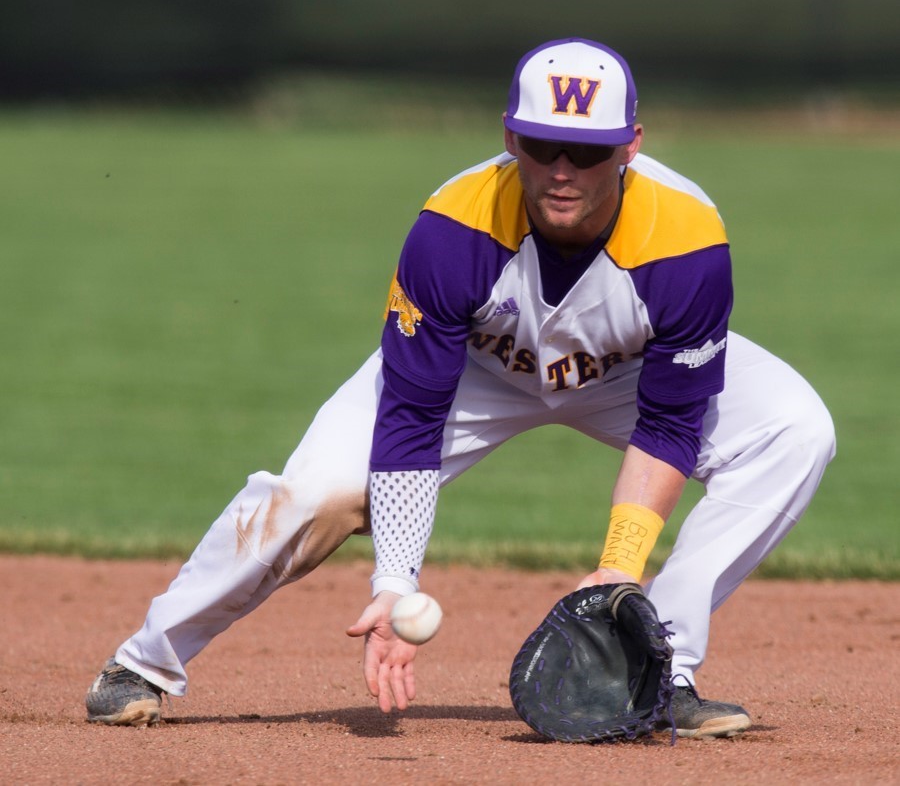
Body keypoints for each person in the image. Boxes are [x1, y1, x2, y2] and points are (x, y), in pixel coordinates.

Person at [85, 37, 835, 738]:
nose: (563, 169)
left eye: (589, 150)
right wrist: (395, 580)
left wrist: (619, 565)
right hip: (473, 371)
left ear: (630, 149)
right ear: (512, 140)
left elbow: (671, 422)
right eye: (543, 146)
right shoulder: (455, 228)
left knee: (796, 429)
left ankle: (658, 670)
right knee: (312, 495)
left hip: (627, 373)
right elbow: (412, 414)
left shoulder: (687, 243)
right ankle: (143, 660)